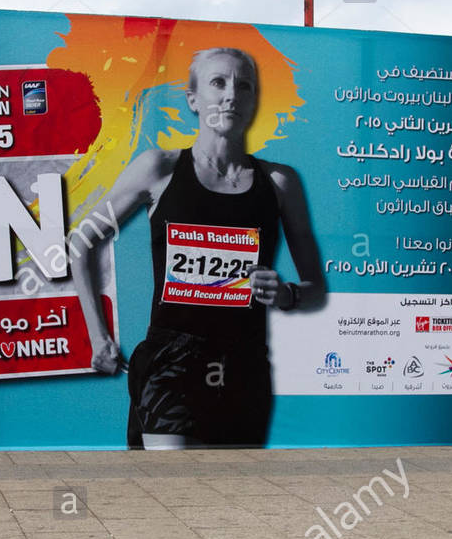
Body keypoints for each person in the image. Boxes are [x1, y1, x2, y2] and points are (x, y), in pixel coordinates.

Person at [71, 48, 325, 448]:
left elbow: (317, 289)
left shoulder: (279, 183)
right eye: (218, 82)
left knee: (232, 503)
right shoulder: (160, 167)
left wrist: (289, 294)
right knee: (178, 496)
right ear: (193, 99)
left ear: (254, 100)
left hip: (245, 369)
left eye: (244, 86)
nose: (231, 95)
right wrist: (97, 336)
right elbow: (81, 243)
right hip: (170, 362)